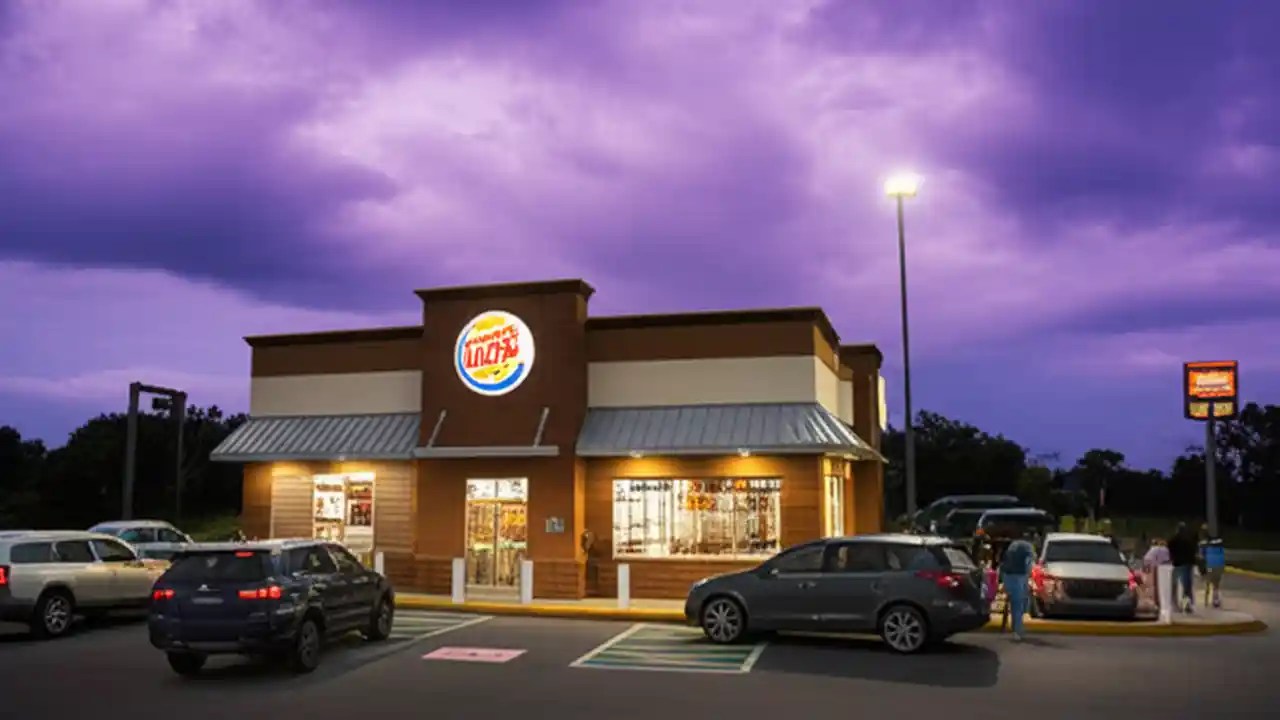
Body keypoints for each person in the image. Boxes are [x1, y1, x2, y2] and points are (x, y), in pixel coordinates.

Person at [1000, 529, 1037, 641]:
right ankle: (1017, 631)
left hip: (1007, 576)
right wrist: (1029, 575)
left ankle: (1012, 627)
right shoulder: (1028, 547)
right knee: (1019, 605)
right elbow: (1029, 562)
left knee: (1012, 603)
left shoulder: (1013, 544)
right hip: (1019, 576)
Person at [1167, 522, 1199, 613]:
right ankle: (1187, 605)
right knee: (1187, 586)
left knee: (1174, 585)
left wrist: (1172, 557)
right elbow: (1193, 551)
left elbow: (1169, 547)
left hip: (1177, 563)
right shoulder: (1188, 540)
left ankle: (1175, 604)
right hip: (1187, 564)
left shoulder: (1174, 539)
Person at [1142, 539, 1171, 611]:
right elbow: (1167, 560)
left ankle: (1155, 601)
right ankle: (1158, 601)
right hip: (1159, 567)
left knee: (1153, 584)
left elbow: (1146, 558)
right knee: (1160, 585)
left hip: (1151, 565)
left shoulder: (1153, 549)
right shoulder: (1165, 549)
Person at [1199, 529, 1226, 609]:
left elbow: (1201, 556)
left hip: (1210, 566)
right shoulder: (1220, 546)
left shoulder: (1205, 546)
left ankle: (1206, 601)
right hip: (1219, 566)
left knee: (1208, 582)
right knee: (1216, 585)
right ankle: (1215, 600)